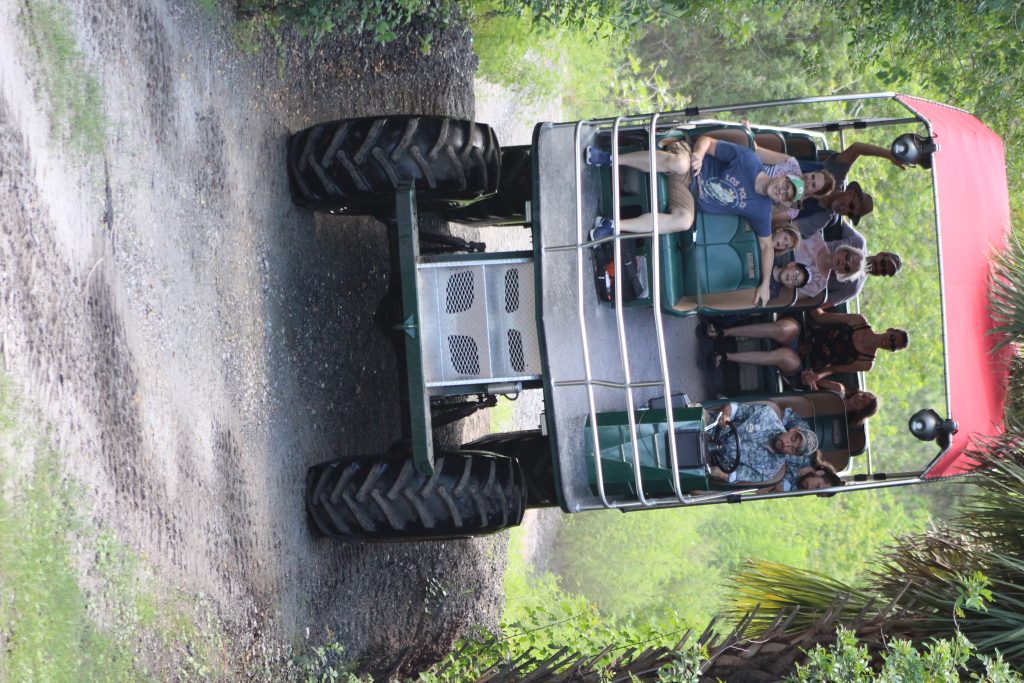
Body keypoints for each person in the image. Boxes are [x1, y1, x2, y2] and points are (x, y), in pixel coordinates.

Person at [586, 136, 804, 306]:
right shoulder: (750, 161)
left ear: (783, 203)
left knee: (684, 221)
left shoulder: (762, 211)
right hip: (689, 162)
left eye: (787, 196)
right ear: (782, 176)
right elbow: (708, 141)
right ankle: (609, 158)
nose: (782, 191)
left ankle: (612, 225)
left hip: (690, 194)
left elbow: (766, 246)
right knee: (681, 164)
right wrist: (698, 154)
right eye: (786, 186)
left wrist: (765, 284)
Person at [702, 308, 909, 387]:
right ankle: (723, 332)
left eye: (893, 346)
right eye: (893, 337)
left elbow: (835, 368)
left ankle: (725, 356)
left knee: (783, 356)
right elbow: (821, 317)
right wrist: (812, 298)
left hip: (806, 361)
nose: (888, 342)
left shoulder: (866, 363)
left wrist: (816, 376)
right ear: (890, 330)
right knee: (782, 329)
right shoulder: (858, 321)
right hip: (804, 332)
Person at [704, 401, 819, 491]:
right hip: (709, 426)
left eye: (793, 449)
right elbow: (733, 408)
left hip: (710, 460)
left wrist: (711, 470)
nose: (786, 444)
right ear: (793, 430)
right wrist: (725, 416)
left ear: (794, 455)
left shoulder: (769, 471)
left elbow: (730, 475)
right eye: (793, 438)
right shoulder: (767, 415)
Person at [792, 231, 866, 299]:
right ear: (843, 250)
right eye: (848, 257)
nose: (845, 263)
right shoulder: (815, 237)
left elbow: (791, 296)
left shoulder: (819, 284)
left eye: (847, 268)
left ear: (843, 273)